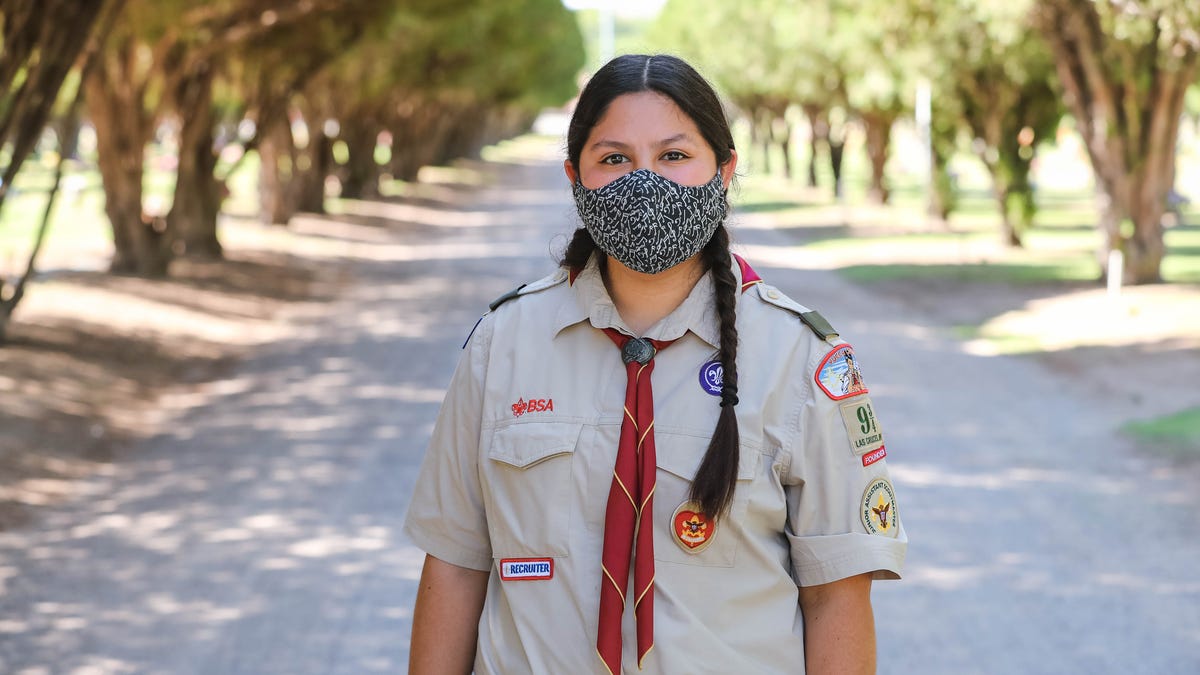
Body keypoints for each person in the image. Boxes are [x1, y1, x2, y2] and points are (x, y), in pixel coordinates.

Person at [404, 53, 906, 674]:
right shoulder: (500, 346)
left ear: (723, 171)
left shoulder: (800, 360)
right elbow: (454, 567)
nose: (645, 183)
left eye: (674, 156)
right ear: (575, 177)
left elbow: (836, 597)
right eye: (614, 159)